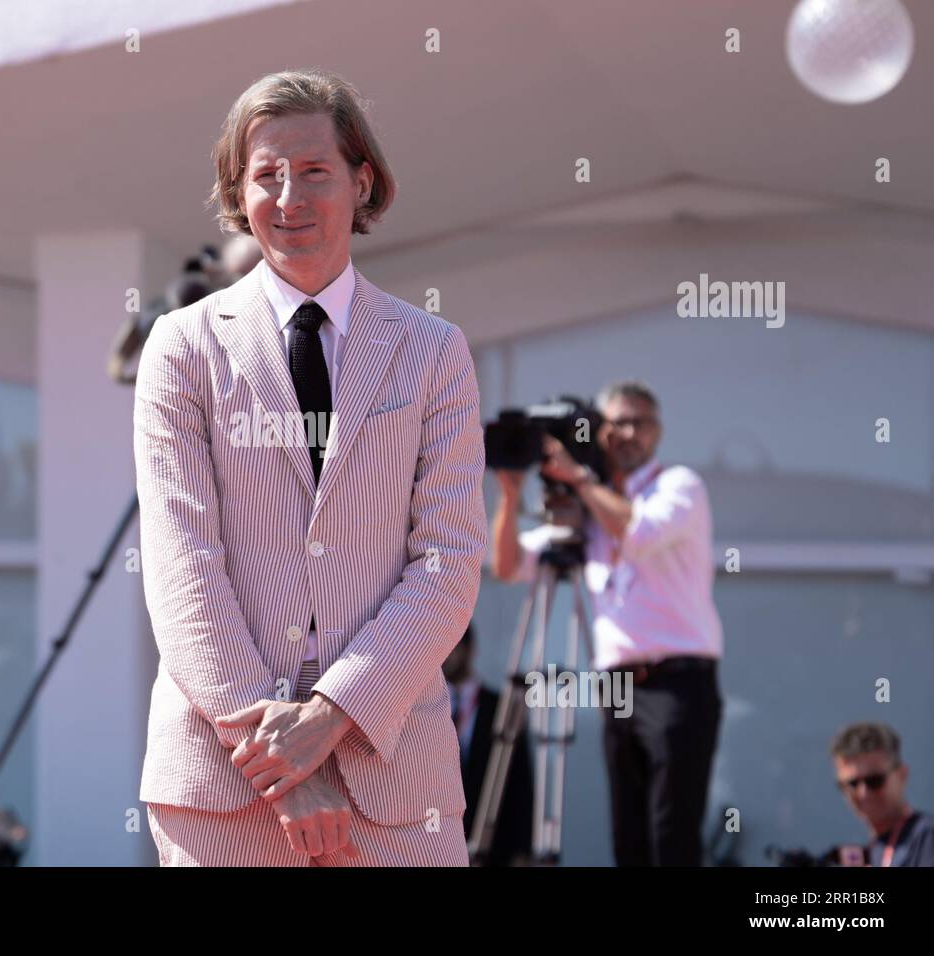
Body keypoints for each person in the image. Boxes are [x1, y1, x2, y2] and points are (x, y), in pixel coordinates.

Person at [134, 69, 488, 866]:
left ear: (362, 180)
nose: (288, 195)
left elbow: (449, 563)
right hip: (225, 795)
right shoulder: (181, 349)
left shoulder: (433, 353)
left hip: (397, 791)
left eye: (314, 171)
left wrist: (329, 716)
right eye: (264, 175)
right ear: (239, 190)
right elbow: (182, 567)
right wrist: (282, 766)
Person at [492, 381, 723, 866]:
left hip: (678, 683)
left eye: (638, 422)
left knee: (671, 835)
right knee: (630, 838)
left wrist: (579, 480)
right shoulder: (593, 505)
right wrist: (511, 497)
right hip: (617, 687)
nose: (625, 433)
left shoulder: (679, 485)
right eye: (615, 422)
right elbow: (510, 567)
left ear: (658, 432)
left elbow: (638, 530)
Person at [444, 623, 534, 865]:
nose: (446, 656)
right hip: (442, 845)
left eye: (453, 647)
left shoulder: (501, 707)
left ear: (469, 649)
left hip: (495, 846)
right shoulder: (426, 712)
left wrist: (522, 851)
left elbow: (521, 782)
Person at [831, 721, 934, 867]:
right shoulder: (873, 850)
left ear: (901, 775)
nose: (863, 793)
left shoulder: (926, 838)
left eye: (874, 781)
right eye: (852, 784)